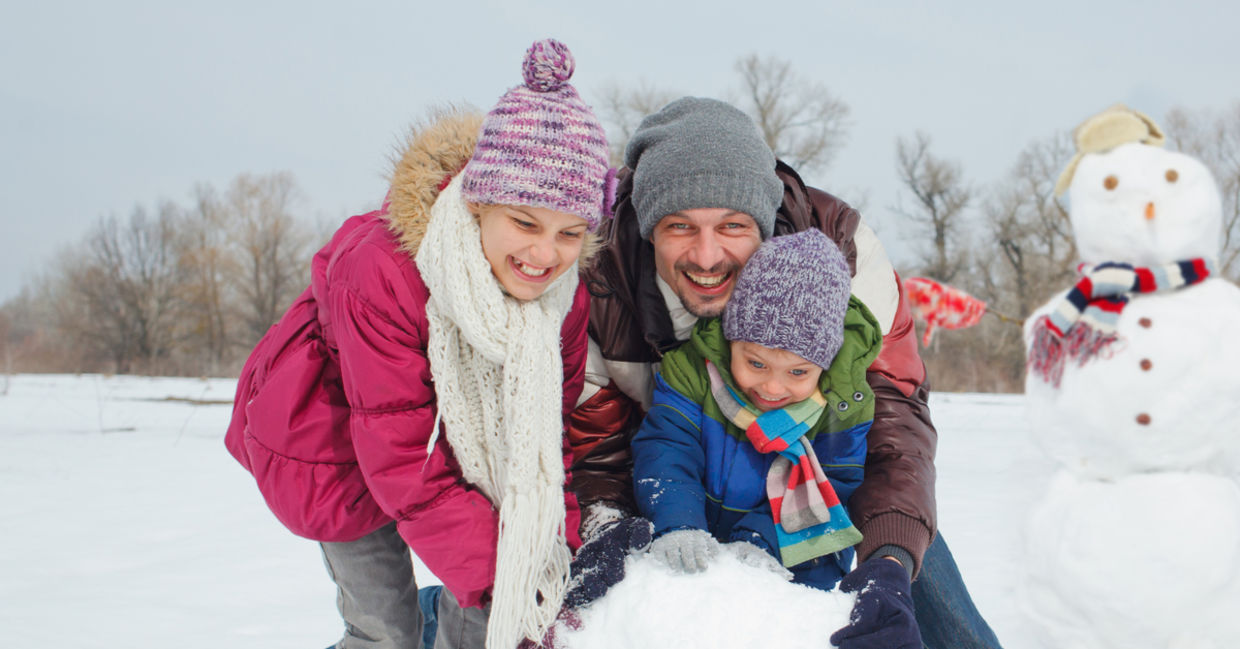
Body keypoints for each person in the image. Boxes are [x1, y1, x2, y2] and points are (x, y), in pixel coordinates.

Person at [565, 97, 1003, 648]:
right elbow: (599, 449)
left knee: (902, 548)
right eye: (680, 226)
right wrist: (618, 526)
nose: (706, 256)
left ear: (764, 222)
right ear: (651, 228)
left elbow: (889, 432)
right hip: (666, 476)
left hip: (812, 478)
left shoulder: (842, 249)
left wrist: (888, 559)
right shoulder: (594, 274)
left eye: (732, 226)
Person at [223, 39, 613, 649]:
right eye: (525, 223)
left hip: (450, 446)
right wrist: (499, 580)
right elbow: (400, 452)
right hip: (333, 440)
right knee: (387, 632)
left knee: (498, 618)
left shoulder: (561, 298)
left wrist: (548, 553)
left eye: (570, 233)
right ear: (479, 203)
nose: (545, 255)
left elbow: (545, 436)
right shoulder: (382, 272)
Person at [631, 228, 919, 646]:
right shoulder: (694, 374)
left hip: (797, 556)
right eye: (756, 363)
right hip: (695, 543)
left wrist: (762, 540)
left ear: (824, 363)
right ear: (731, 339)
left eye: (798, 372)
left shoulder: (841, 405)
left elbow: (835, 485)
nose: (772, 387)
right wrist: (678, 521)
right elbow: (667, 448)